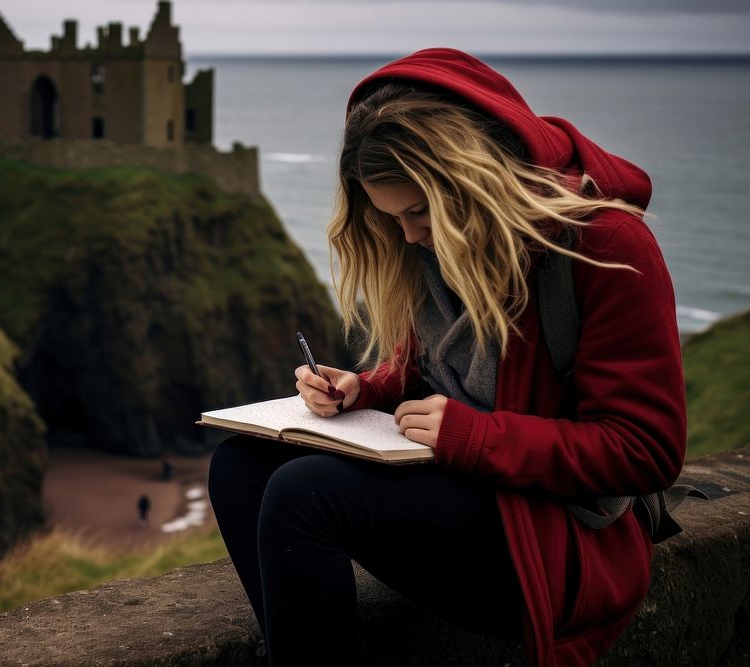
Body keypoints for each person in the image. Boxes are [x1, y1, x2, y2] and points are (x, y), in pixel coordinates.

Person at [207, 48, 686, 667]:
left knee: (308, 493)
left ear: (474, 179)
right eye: (392, 216)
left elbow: (646, 452)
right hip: (467, 498)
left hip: (553, 543)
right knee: (240, 465)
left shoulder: (606, 247)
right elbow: (437, 366)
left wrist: (473, 436)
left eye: (417, 211)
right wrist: (365, 389)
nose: (407, 236)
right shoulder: (444, 237)